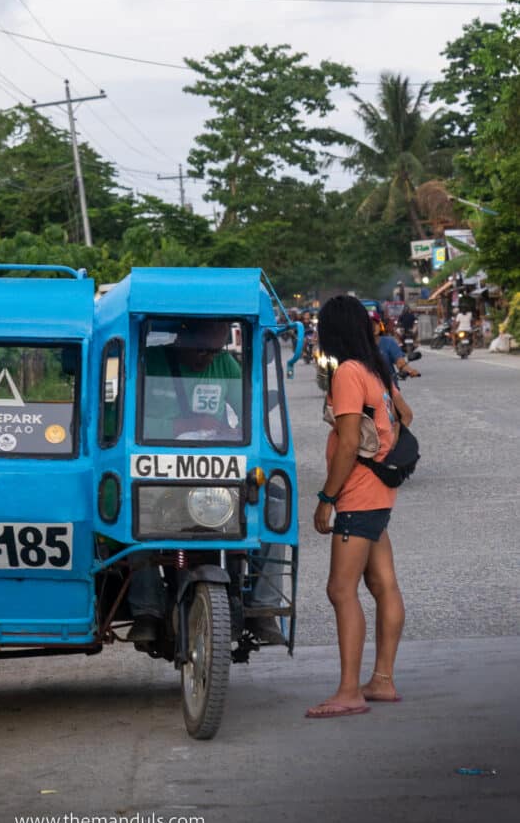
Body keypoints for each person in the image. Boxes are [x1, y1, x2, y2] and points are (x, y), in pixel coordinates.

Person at [128, 319, 285, 645]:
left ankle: (263, 607)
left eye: (215, 351)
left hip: (216, 475)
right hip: (156, 473)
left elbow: (250, 419)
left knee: (276, 507)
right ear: (182, 336)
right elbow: (122, 420)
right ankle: (147, 610)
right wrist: (177, 425)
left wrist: (236, 432)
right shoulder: (148, 362)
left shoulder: (224, 364)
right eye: (202, 350)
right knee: (129, 513)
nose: (208, 358)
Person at [306, 295, 413, 718]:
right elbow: (406, 414)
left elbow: (349, 443)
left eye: (320, 327)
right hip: (380, 493)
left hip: (358, 494)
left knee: (340, 589)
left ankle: (349, 690)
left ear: (334, 331)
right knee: (383, 584)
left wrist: (327, 498)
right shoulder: (377, 371)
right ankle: (382, 680)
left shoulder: (349, 373)